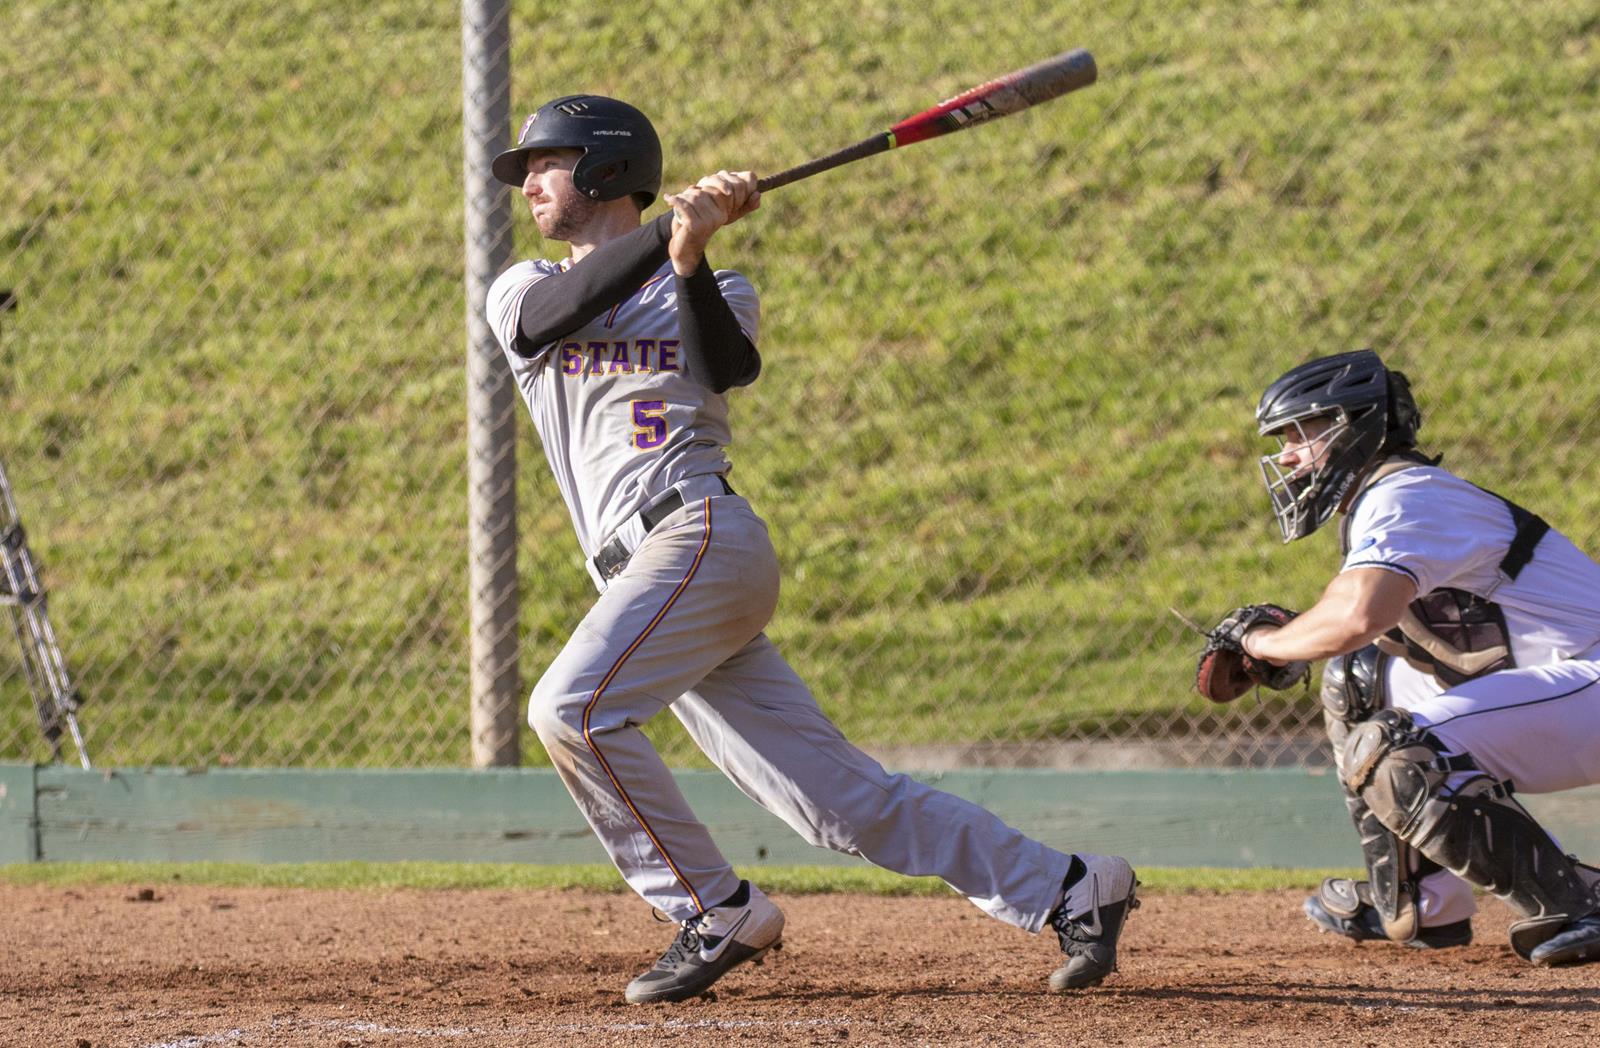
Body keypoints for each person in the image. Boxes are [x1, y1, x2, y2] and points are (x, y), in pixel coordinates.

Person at [482, 94, 1139, 1004]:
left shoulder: (717, 284)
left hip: (699, 536)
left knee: (571, 709)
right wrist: (674, 227)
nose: (531, 186)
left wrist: (690, 256)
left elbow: (727, 368)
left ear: (603, 168)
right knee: (838, 804)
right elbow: (552, 313)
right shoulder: (518, 287)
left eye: (546, 164)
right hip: (646, 579)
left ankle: (713, 910)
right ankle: (1071, 886)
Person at [1236, 348, 1600, 965]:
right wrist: (1298, 638)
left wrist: (1261, 642)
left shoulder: (1407, 494)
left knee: (1393, 748)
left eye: (1303, 433)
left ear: (1357, 427)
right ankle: (1424, 903)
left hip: (1587, 688)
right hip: (1562, 690)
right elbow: (1366, 635)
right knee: (1359, 680)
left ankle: (1581, 899)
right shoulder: (1390, 499)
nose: (1289, 454)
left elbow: (1357, 614)